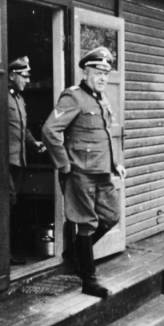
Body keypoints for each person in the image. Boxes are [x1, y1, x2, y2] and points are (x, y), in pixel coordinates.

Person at [41, 47, 126, 298]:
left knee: (111, 215)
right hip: (80, 172)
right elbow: (49, 131)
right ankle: (89, 280)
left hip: (102, 170)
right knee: (87, 223)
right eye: (98, 72)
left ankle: (76, 254)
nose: (102, 78)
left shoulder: (101, 98)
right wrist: (64, 165)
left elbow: (106, 133)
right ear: (85, 71)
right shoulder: (73, 97)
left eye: (106, 73)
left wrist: (116, 163)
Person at [8, 56, 46, 266]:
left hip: (18, 161)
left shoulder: (20, 100)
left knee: (12, 205)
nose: (27, 81)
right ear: (12, 75)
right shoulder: (2, 97)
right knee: (7, 203)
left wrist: (34, 144)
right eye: (24, 76)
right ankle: (3, 255)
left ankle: (8, 253)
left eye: (28, 77)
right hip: (5, 162)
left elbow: (22, 129)